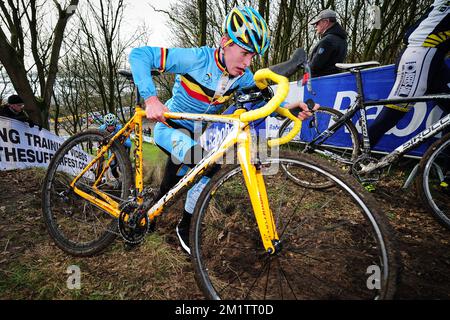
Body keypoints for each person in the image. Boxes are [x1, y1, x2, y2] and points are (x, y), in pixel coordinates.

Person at [129, 6, 318, 254]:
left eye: (253, 57)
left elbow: (263, 101)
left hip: (196, 135)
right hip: (170, 128)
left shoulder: (242, 76)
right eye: (244, 53)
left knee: (171, 182)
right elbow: (139, 55)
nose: (247, 63)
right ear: (225, 42)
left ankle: (151, 215)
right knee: (208, 165)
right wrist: (151, 98)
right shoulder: (196, 58)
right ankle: (184, 227)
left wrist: (289, 108)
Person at [368, 0, 449, 192]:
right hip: (421, 51)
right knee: (394, 113)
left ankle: (443, 166)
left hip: (435, 56)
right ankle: (359, 165)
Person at [309, 9, 348, 77]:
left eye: (317, 23)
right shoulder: (343, 40)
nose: (315, 26)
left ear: (326, 22)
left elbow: (314, 67)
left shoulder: (327, 41)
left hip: (320, 82)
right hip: (335, 80)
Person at [99, 113, 132, 183]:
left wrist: (119, 138)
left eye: (112, 125)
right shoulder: (101, 128)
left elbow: (129, 144)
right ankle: (119, 181)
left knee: (122, 167)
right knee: (112, 168)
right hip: (112, 148)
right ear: (105, 125)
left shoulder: (120, 129)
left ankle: (127, 181)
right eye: (108, 126)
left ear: (115, 124)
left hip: (122, 148)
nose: (110, 128)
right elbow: (97, 138)